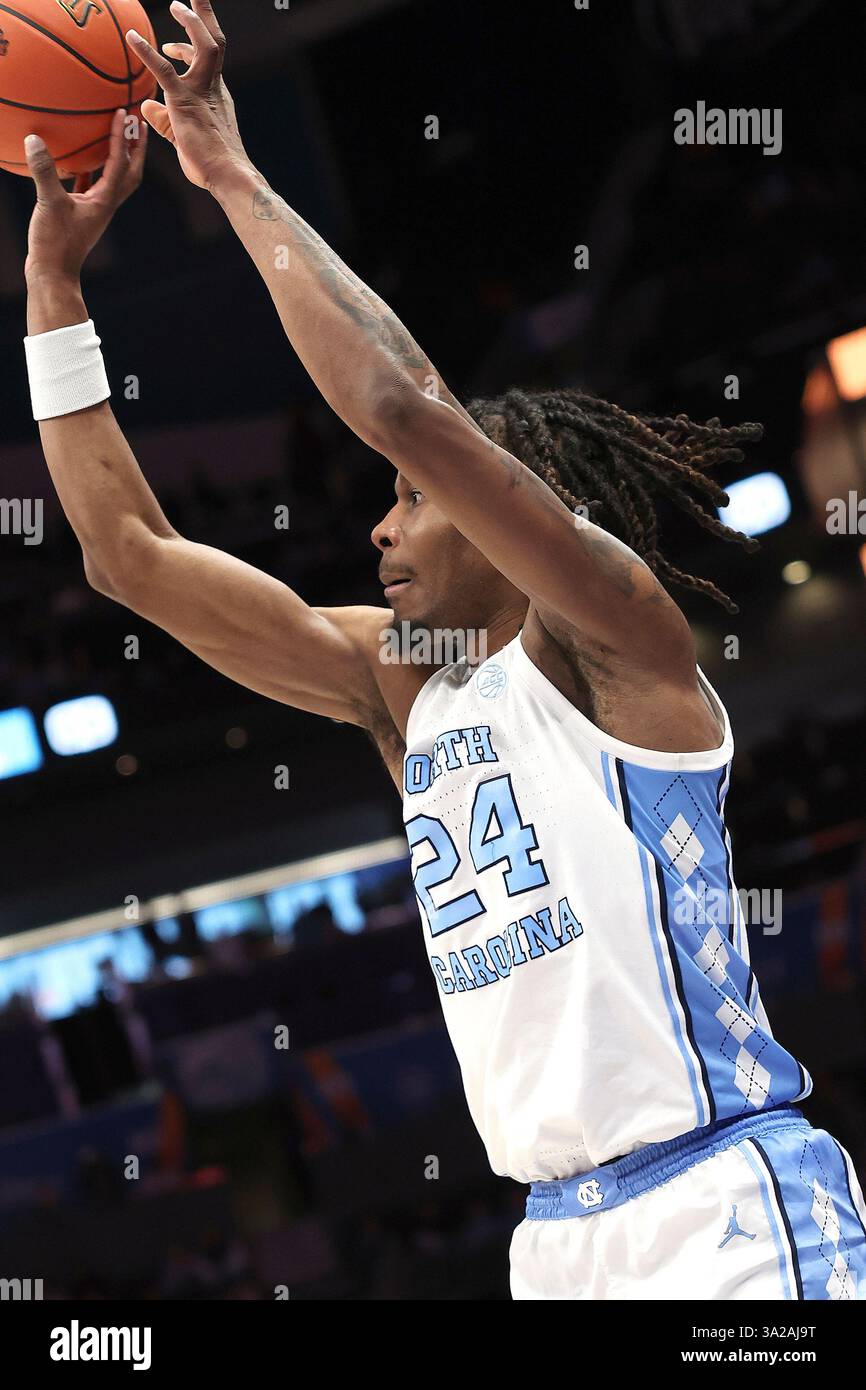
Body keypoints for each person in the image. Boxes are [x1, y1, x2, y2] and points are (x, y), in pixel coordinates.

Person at [21, 0, 865, 1300]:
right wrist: (55, 292)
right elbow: (125, 555)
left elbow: (396, 406)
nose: (377, 524)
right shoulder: (401, 682)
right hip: (554, 1237)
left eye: (407, 500)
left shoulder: (614, 638)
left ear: (499, 502)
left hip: (723, 1205)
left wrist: (230, 173)